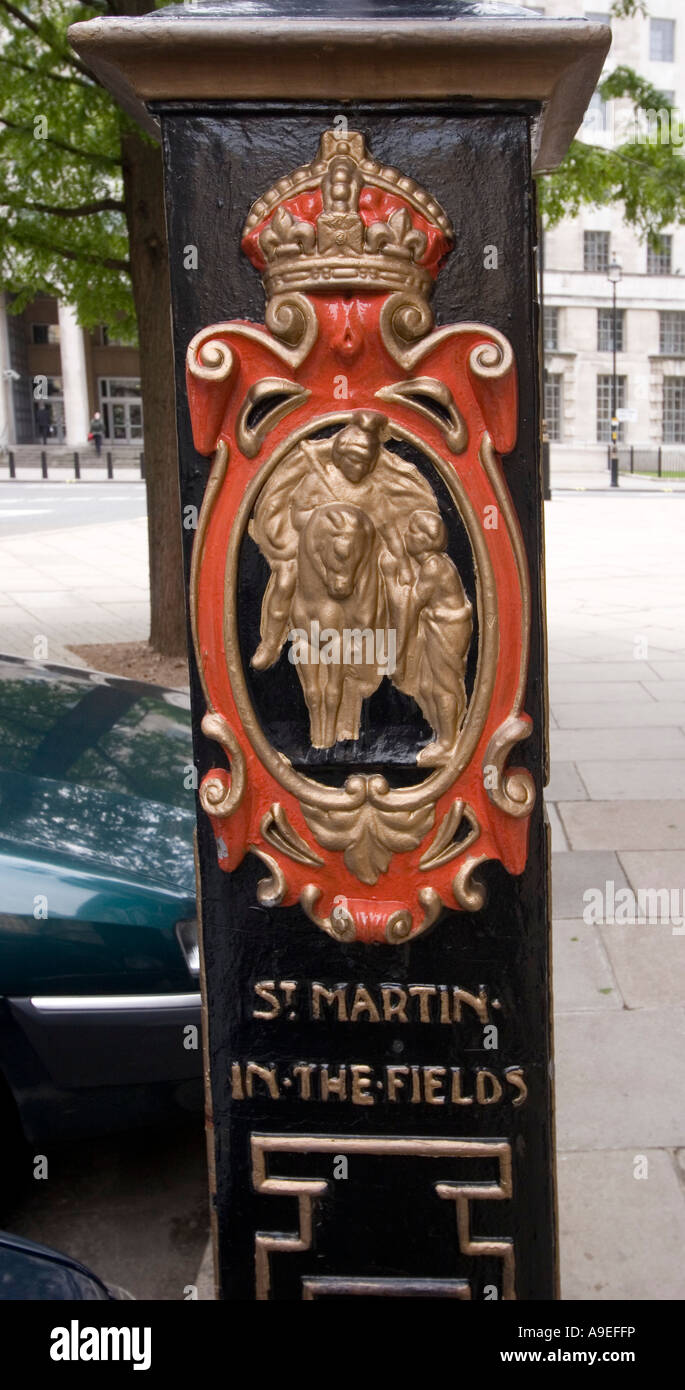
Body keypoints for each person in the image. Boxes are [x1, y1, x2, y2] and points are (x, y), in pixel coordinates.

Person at [250, 410, 438, 671]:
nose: (358, 467)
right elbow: (297, 516)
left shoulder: (370, 493)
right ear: (340, 455)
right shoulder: (318, 480)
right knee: (285, 578)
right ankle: (270, 642)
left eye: (365, 462)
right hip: (314, 551)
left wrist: (404, 565)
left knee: (383, 581)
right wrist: (322, 519)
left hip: (359, 558)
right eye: (353, 459)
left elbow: (388, 530)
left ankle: (378, 646)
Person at [388, 509, 473, 766]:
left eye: (411, 531)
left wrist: (393, 584)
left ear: (424, 540)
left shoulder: (435, 565)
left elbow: (412, 605)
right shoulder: (431, 564)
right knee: (427, 686)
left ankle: (448, 743)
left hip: (447, 630)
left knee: (443, 685)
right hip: (438, 626)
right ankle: (443, 734)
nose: (406, 536)